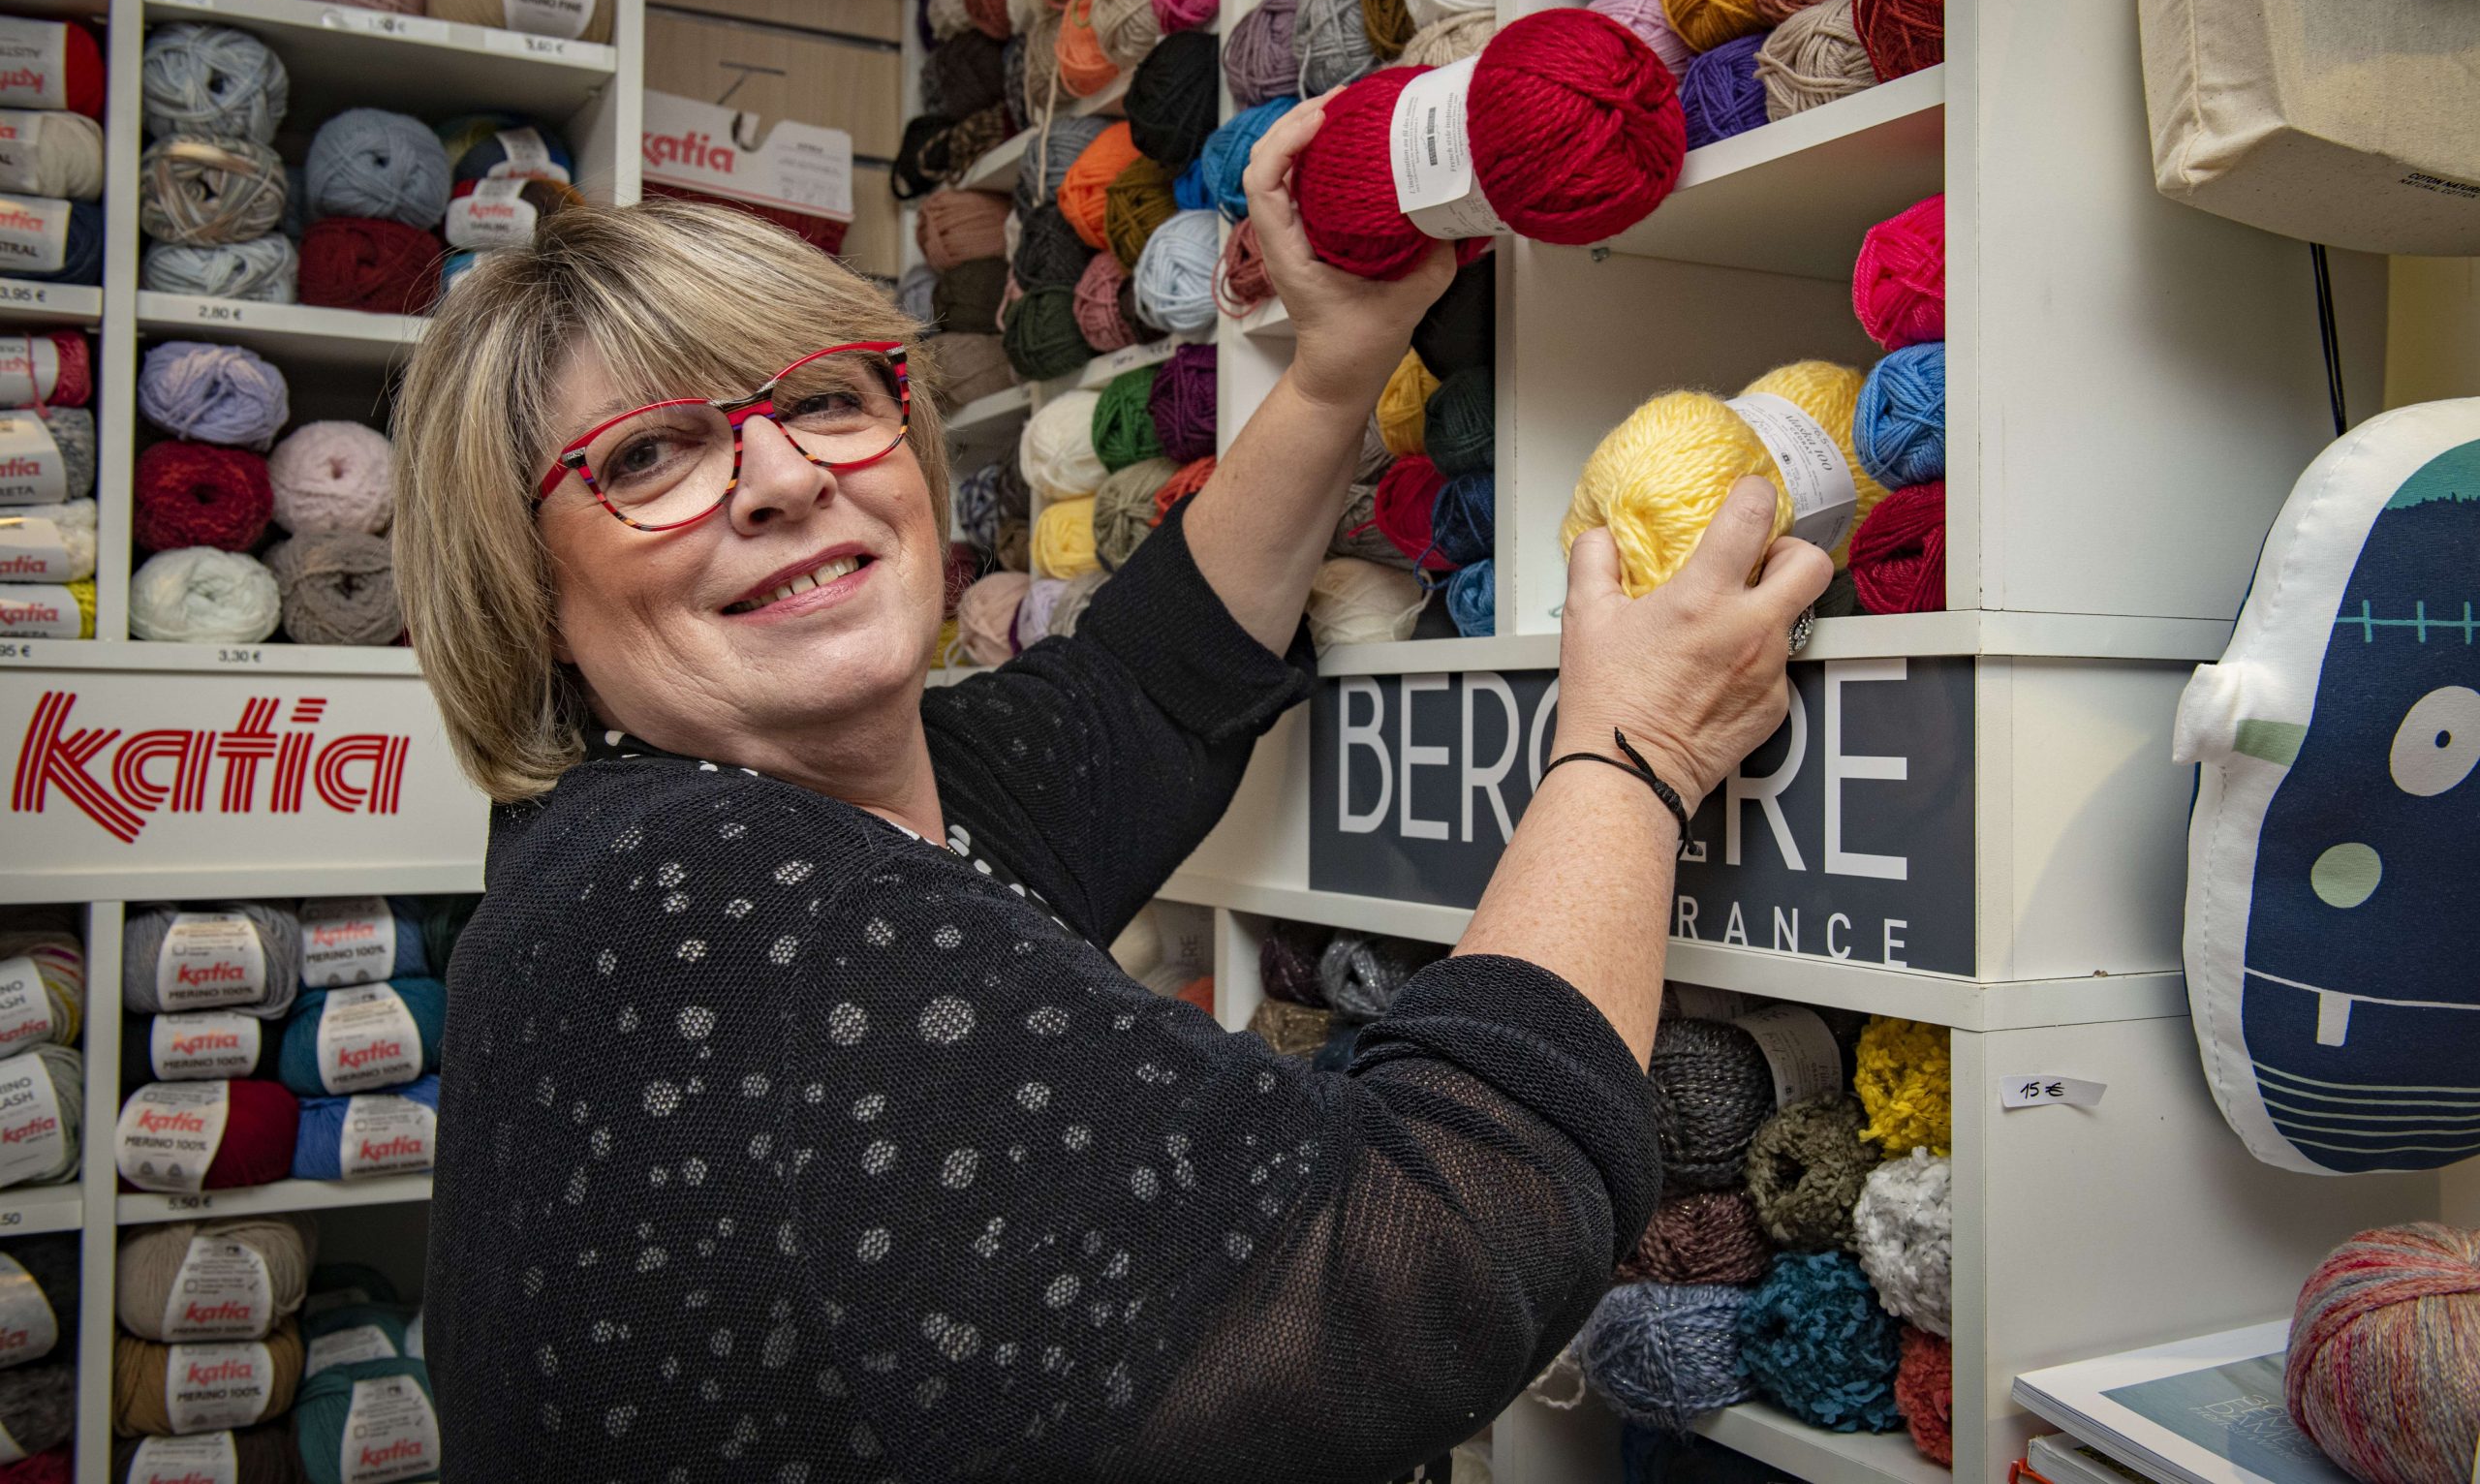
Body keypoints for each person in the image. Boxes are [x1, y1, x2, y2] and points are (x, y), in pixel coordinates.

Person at [394, 95, 1829, 1482]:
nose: (777, 474)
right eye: (647, 455)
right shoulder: (704, 897)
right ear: (522, 592)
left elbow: (1142, 687)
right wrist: (1633, 754)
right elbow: (1425, 1259)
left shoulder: (818, 809)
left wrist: (1335, 368)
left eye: (824, 398)